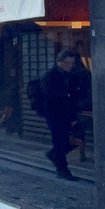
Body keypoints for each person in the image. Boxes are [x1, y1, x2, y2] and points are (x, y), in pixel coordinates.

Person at [41, 49, 90, 181]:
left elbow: (74, 96)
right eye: (68, 64)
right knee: (60, 141)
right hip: (55, 114)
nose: (71, 66)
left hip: (70, 113)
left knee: (77, 138)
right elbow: (51, 98)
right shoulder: (51, 77)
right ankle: (62, 169)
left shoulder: (71, 76)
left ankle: (55, 155)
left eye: (72, 64)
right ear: (60, 62)